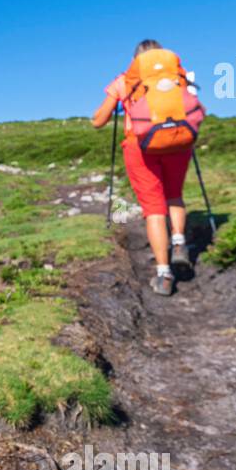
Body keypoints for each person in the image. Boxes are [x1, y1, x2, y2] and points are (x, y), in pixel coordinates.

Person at [92, 39, 197, 296]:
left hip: (140, 147)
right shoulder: (178, 76)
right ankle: (180, 242)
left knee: (153, 209)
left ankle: (163, 275)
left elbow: (99, 121)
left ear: (136, 60)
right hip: (178, 142)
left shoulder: (124, 80)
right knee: (174, 195)